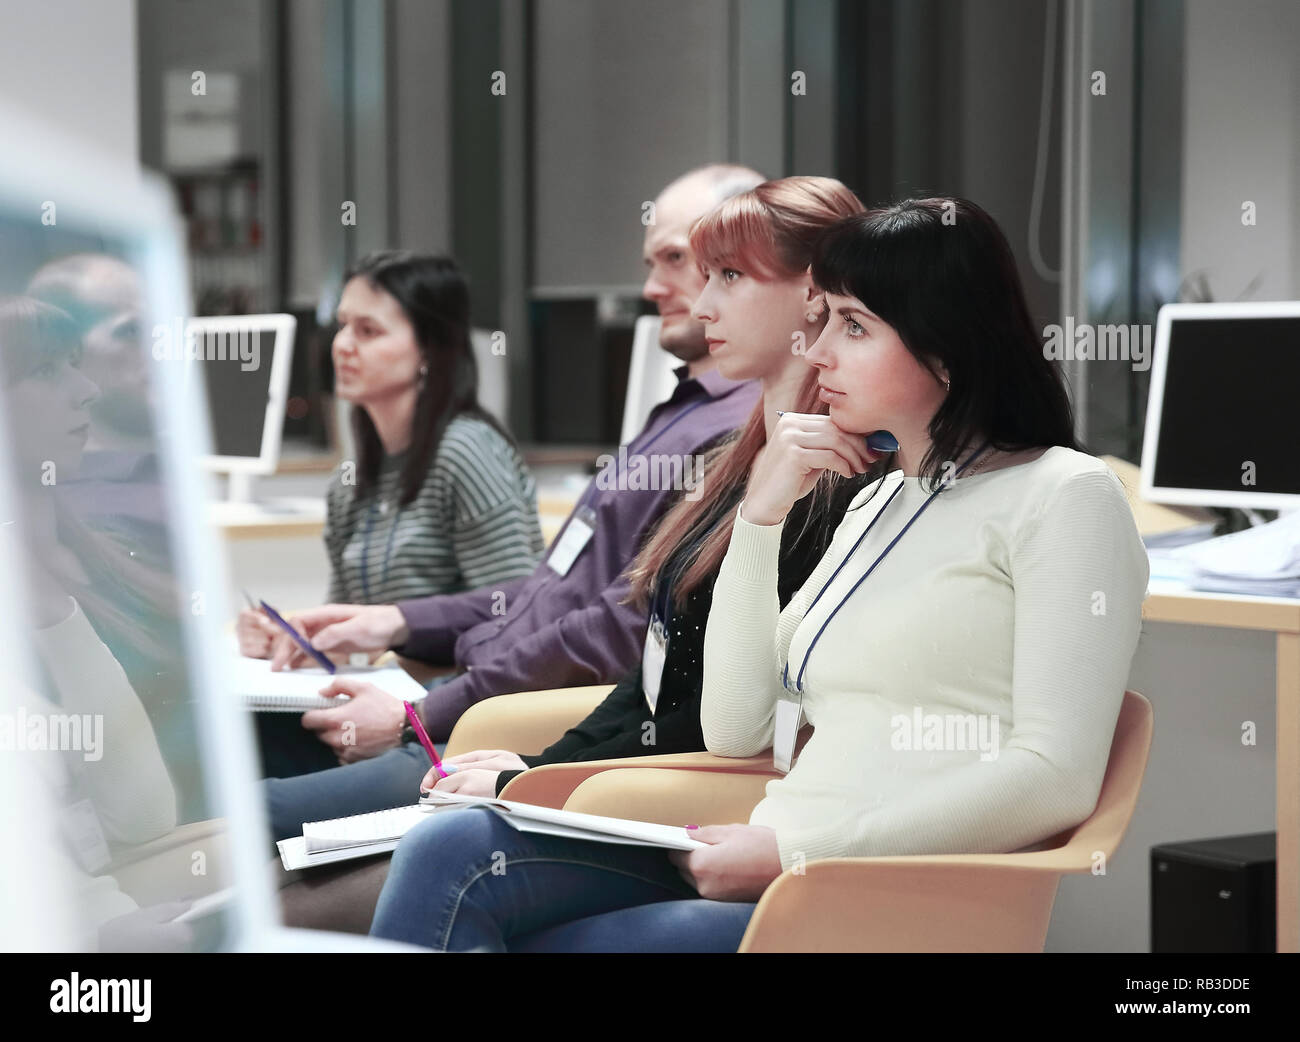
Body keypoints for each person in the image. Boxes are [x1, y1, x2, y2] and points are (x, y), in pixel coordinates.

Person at [367, 196, 1149, 952]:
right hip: (779, 851)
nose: (818, 353)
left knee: (571, 935)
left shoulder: (1065, 496)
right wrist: (759, 518)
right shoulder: (880, 501)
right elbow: (736, 726)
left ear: (944, 346)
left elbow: (1054, 777)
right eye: (822, 322)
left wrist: (799, 849)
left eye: (852, 326)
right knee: (453, 849)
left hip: (889, 891)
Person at [260, 165, 765, 842]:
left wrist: (427, 712)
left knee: (252, 809)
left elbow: (620, 629)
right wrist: (393, 622)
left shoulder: (732, 436)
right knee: (246, 742)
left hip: (497, 722)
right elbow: (538, 595)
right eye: (651, 262)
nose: (650, 287)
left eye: (677, 259)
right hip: (467, 701)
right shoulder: (676, 413)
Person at [433, 176, 869, 800]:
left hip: (686, 804)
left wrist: (536, 780)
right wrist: (540, 767)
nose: (702, 307)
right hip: (632, 783)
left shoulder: (833, 488)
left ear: (810, 292)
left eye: (730, 277)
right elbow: (654, 677)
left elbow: (715, 723)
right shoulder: (735, 462)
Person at [237, 251, 544, 656]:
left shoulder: (466, 452)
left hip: (455, 706)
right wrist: (292, 639)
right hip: (384, 694)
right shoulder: (352, 480)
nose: (342, 345)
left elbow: (519, 616)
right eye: (343, 325)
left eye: (368, 331)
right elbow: (348, 633)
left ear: (429, 351)